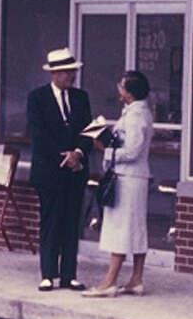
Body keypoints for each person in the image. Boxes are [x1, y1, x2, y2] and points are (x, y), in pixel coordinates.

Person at [26, 47, 93, 292]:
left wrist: (78, 153)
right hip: (50, 171)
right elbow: (38, 135)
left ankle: (69, 275)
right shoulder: (37, 98)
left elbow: (89, 131)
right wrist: (63, 156)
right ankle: (47, 274)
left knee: (71, 221)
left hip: (75, 171)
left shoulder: (80, 98)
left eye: (73, 72)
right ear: (55, 74)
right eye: (67, 73)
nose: (71, 77)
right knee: (50, 221)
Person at [82, 69, 153, 297]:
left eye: (122, 87)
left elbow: (132, 151)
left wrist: (107, 149)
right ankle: (136, 279)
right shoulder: (138, 113)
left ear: (130, 92)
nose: (119, 90)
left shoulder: (135, 117)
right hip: (133, 177)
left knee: (121, 230)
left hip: (128, 177)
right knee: (136, 229)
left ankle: (110, 281)